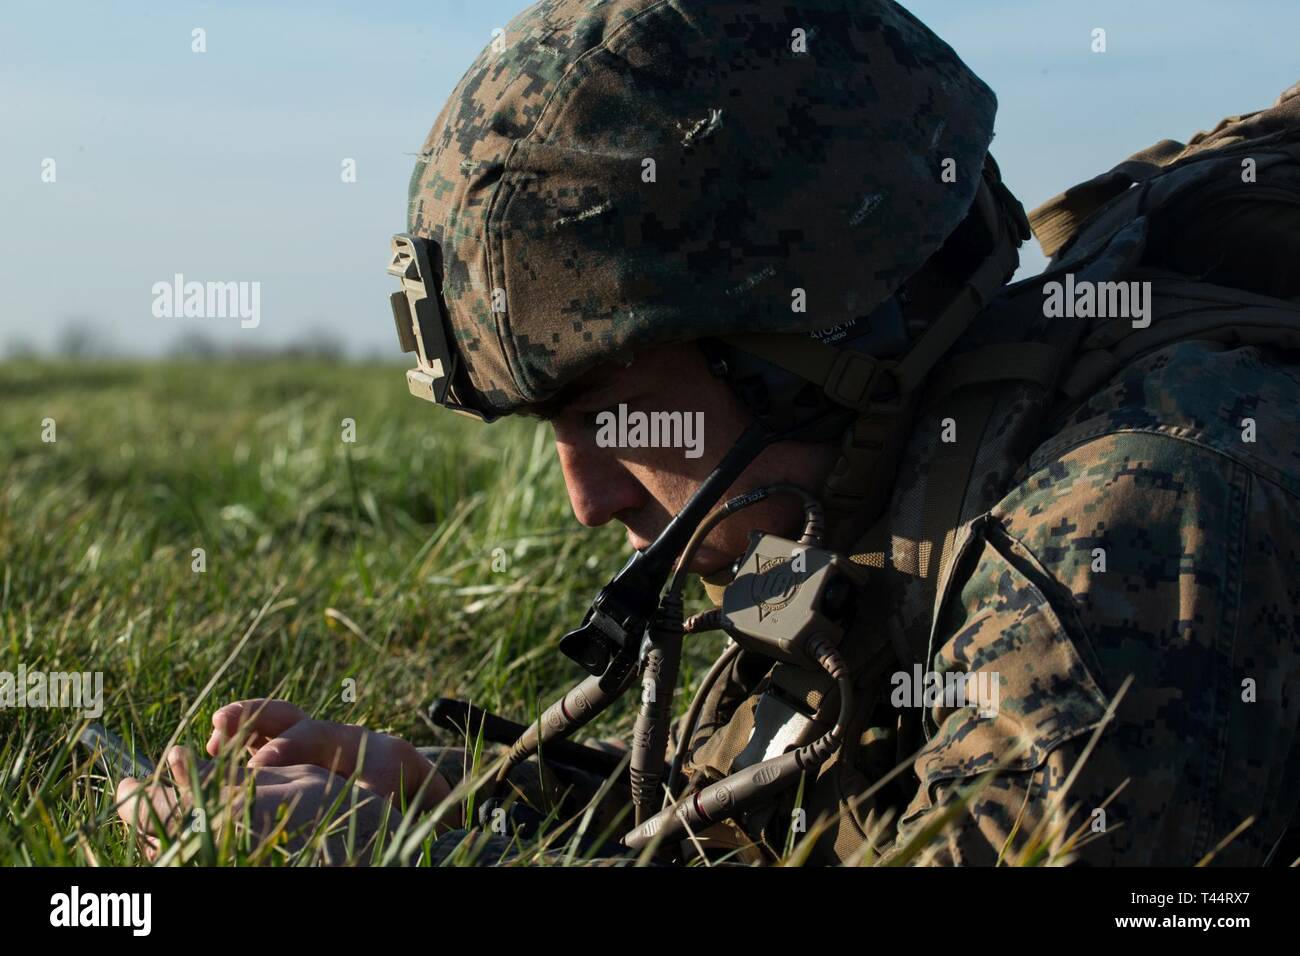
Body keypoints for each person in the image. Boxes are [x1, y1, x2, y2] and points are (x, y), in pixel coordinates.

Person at [117, 0, 1300, 866]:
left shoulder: (1138, 513)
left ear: (809, 339)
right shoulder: (861, 491)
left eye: (606, 417)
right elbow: (805, 823)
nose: (587, 497)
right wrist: (472, 806)